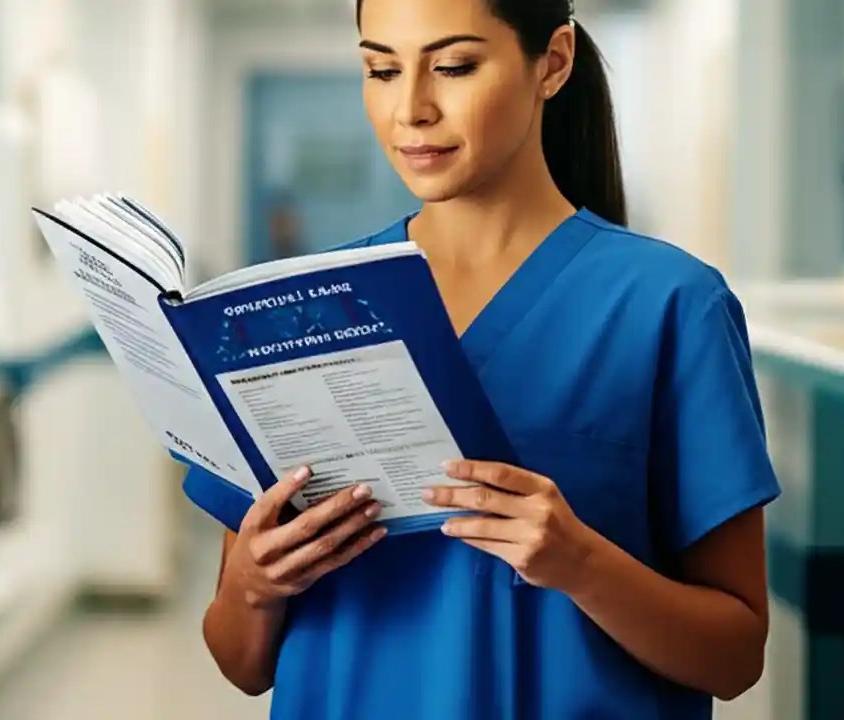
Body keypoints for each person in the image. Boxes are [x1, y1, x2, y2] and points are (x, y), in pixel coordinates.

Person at [186, 0, 782, 717]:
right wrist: (255, 583)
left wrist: (582, 565)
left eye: (454, 67)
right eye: (380, 69)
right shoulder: (293, 311)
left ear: (553, 62)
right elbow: (240, 664)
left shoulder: (670, 305)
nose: (411, 108)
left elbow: (735, 655)